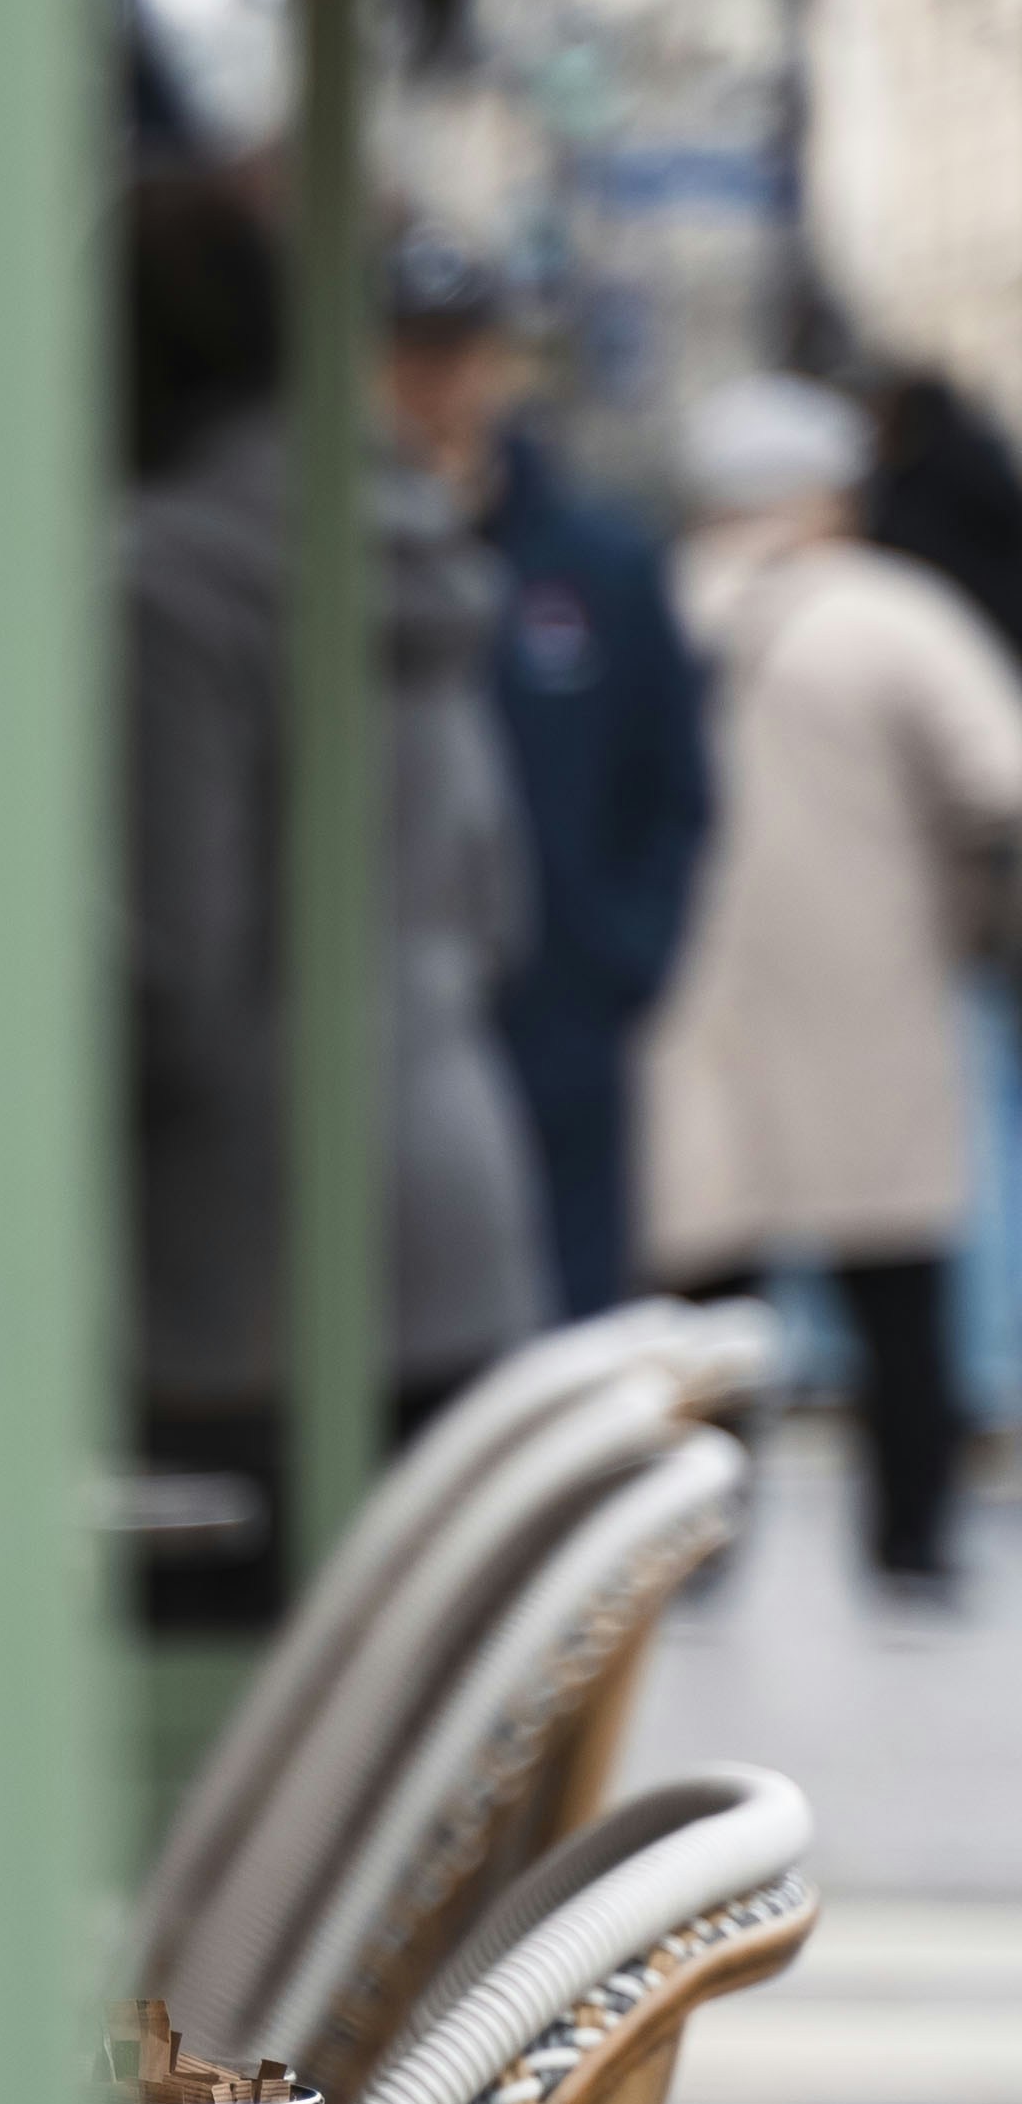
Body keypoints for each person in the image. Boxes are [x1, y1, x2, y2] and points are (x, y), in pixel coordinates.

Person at [119, 171, 551, 1614]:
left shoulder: (168, 579)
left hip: (236, 1283)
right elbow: (500, 909)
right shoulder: (412, 545)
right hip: (454, 1225)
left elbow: (157, 979)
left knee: (212, 1762)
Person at [644, 366, 1022, 1598]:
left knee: (706, 1300)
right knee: (895, 1291)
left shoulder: (656, 603)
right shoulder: (891, 614)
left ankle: (694, 1555)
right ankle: (908, 1542)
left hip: (689, 1001)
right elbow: (1000, 781)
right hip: (873, 995)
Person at [379, 236, 710, 1321]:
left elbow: (674, 782)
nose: (436, 386)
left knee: (565, 1318)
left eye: (458, 354)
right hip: (391, 1017)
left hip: (562, 1016)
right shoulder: (329, 555)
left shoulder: (595, 562)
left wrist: (622, 956)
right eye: (409, 355)